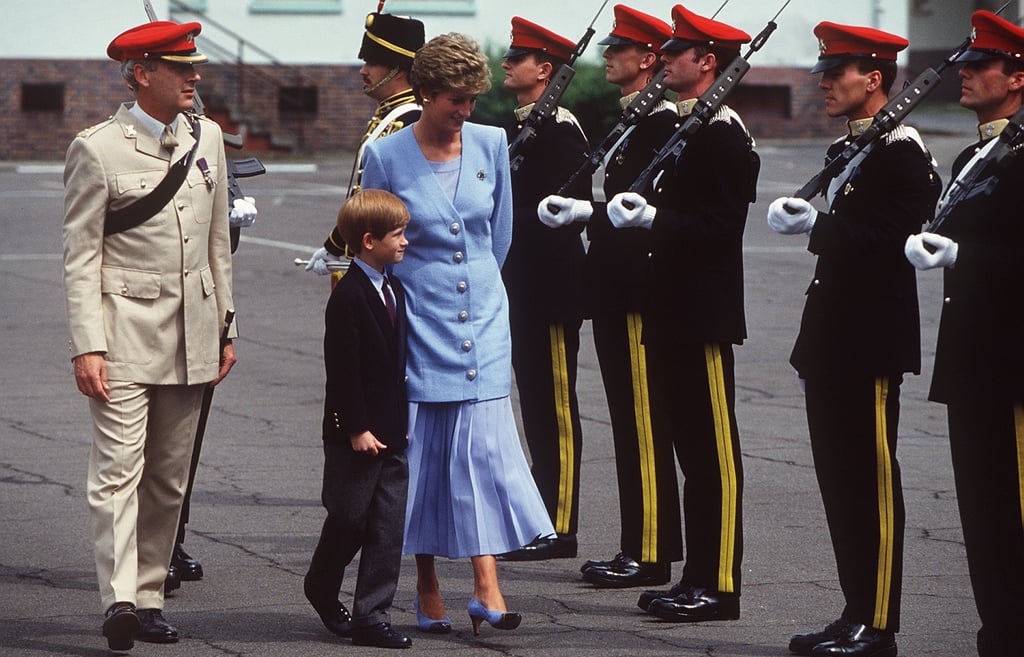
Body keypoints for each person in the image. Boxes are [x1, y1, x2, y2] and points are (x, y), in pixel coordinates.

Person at [359, 32, 554, 636]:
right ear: (425, 94)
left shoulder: (493, 143)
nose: (466, 113)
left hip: (486, 323)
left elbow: (499, 236)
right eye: (455, 102)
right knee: (422, 457)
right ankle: (425, 579)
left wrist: (478, 295)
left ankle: (487, 583)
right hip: (419, 323)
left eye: (473, 100)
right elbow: (380, 245)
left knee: (481, 457)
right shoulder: (386, 156)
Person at [62, 20, 237, 651]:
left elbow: (218, 241)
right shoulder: (98, 147)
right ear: (141, 74)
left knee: (168, 477)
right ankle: (120, 601)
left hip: (193, 332)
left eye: (195, 67)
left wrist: (227, 326)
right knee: (116, 472)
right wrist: (88, 344)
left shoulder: (208, 137)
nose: (196, 77)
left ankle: (153, 593)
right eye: (180, 67)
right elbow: (81, 256)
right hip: (122, 334)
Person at [767, 21, 941, 657]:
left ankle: (879, 624)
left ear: (873, 79)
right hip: (835, 340)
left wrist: (820, 226)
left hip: (868, 343)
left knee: (870, 484)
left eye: (835, 72)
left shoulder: (902, 153)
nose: (822, 81)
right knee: (840, 485)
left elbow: (887, 248)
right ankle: (853, 610)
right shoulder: (861, 146)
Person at [600, 4, 758, 622]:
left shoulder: (722, 132)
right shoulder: (689, 127)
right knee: (691, 449)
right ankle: (696, 574)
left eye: (675, 53)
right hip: (670, 309)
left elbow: (721, 227)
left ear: (707, 63)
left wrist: (655, 219)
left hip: (703, 312)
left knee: (713, 454)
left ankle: (719, 584)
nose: (663, 60)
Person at [538, 3, 682, 588]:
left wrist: (588, 212)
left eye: (618, 49)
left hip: (639, 291)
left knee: (644, 421)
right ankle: (637, 543)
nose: (606, 56)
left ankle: (649, 551)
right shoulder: (635, 119)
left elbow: (650, 215)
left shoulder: (662, 123)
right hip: (616, 288)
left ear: (648, 59)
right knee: (628, 419)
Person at [904, 11, 1024, 657]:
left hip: (1014, 367)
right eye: (965, 65)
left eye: (981, 66)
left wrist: (961, 257)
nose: (966, 75)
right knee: (985, 521)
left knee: (1020, 518)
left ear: (1018, 77)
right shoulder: (973, 154)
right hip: (972, 362)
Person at [495, 16, 591, 562]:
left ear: (545, 70)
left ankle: (560, 524)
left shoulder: (561, 130)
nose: (507, 64)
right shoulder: (526, 126)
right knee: (534, 406)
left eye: (518, 57)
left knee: (555, 409)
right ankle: (540, 516)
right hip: (524, 289)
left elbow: (566, 215)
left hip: (550, 290)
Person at [303, 189, 413, 649]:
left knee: (387, 526)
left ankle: (372, 616)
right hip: (357, 431)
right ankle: (322, 583)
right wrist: (355, 428)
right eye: (398, 234)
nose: (406, 241)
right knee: (350, 517)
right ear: (369, 241)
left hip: (393, 428)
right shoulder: (347, 296)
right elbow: (343, 372)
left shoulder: (394, 287)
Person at [305, 10, 425, 283]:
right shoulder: (388, 116)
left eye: (372, 62)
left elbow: (379, 200)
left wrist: (334, 245)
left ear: (397, 69)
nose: (363, 70)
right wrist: (335, 246)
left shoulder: (411, 120)